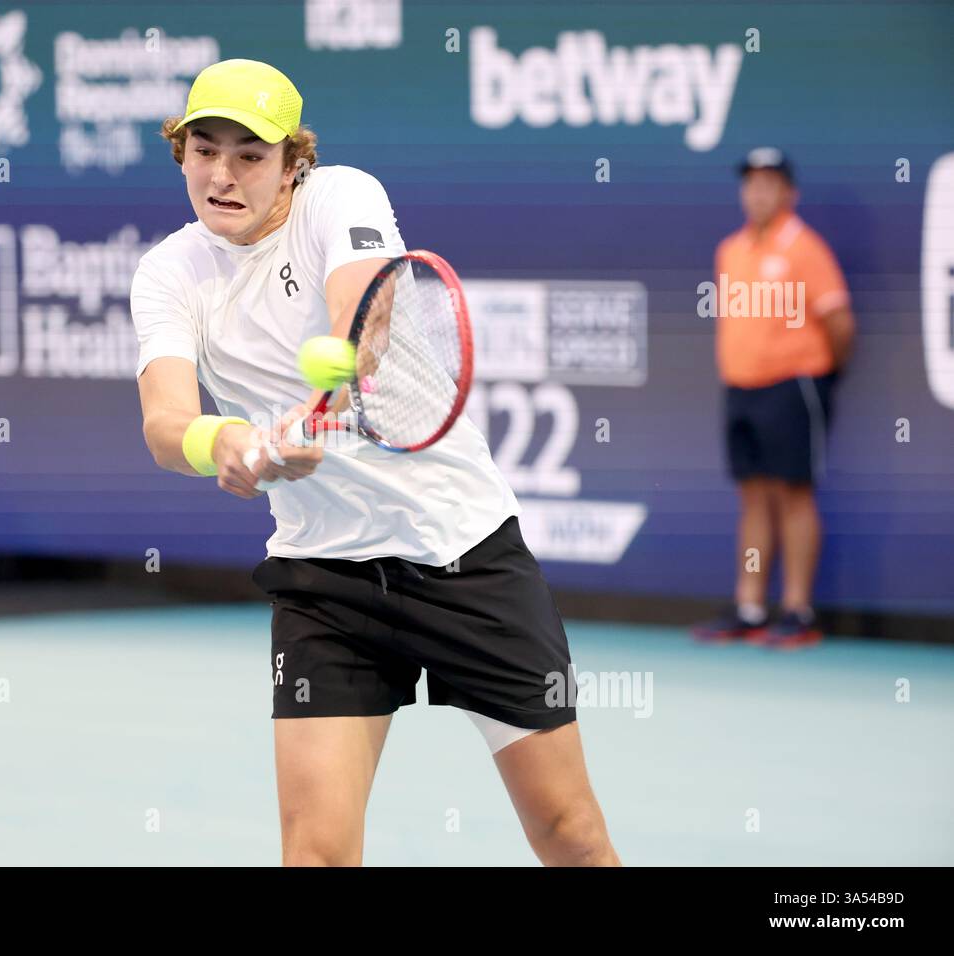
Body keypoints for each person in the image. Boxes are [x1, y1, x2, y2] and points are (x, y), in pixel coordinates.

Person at [129, 58, 619, 866]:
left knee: (569, 834)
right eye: (203, 149)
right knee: (316, 853)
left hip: (462, 552)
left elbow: (366, 308)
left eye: (250, 155)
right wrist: (231, 443)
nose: (222, 174)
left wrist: (334, 381)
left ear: (294, 163)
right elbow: (164, 421)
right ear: (179, 151)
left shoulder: (343, 196)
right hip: (327, 581)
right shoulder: (169, 272)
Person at [694, 148, 855, 648]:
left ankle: (798, 610)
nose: (759, 192)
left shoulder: (805, 248)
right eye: (752, 183)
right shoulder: (730, 250)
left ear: (790, 193)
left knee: (794, 495)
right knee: (753, 496)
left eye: (770, 183)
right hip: (740, 388)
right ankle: (750, 606)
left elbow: (839, 322)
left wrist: (821, 376)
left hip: (793, 387)